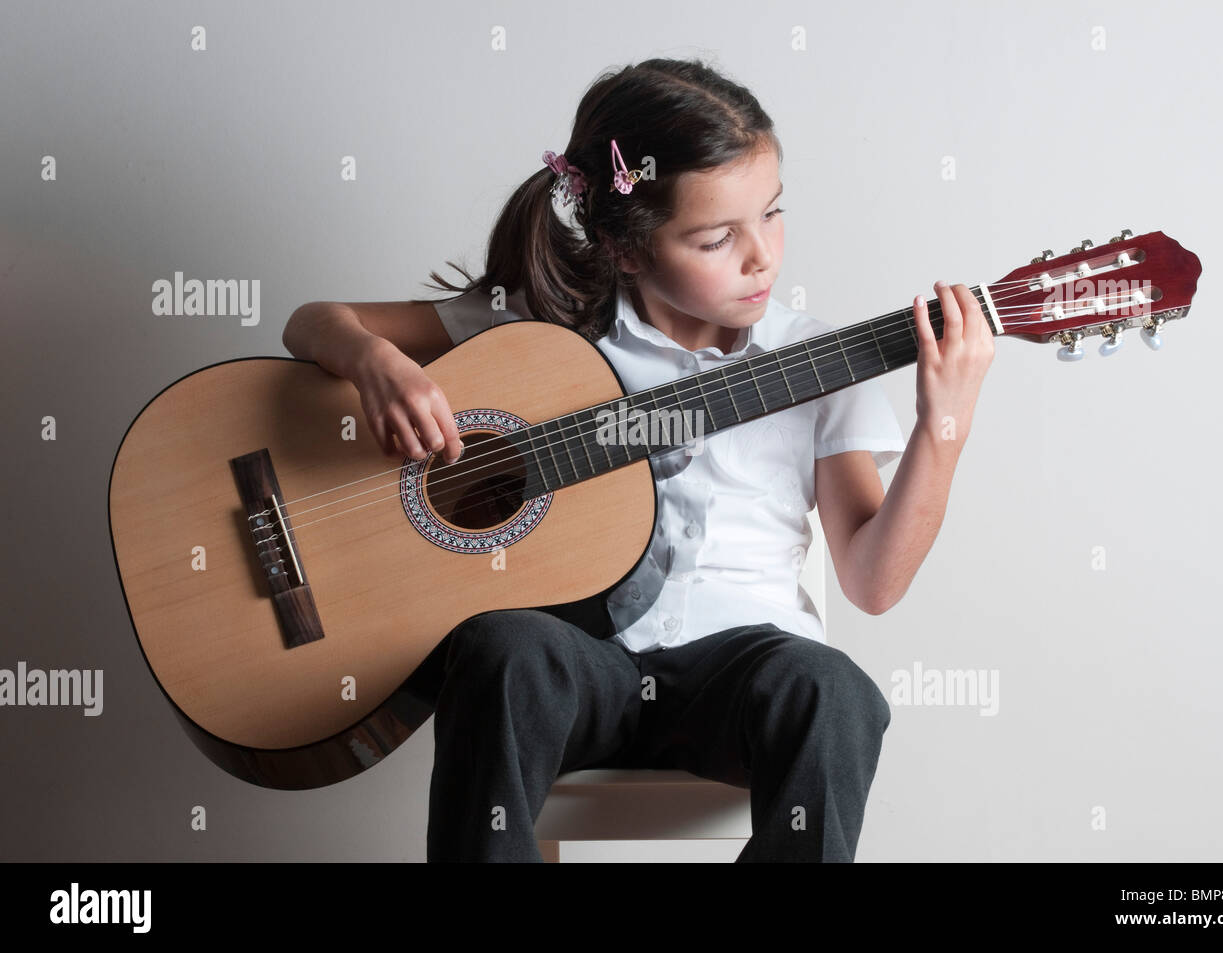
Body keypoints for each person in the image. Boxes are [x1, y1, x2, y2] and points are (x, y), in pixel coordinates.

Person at [282, 57, 995, 862]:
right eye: (717, 237)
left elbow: (873, 581)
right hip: (583, 673)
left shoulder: (814, 359)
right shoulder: (541, 332)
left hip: (738, 675)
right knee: (501, 651)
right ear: (626, 249)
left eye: (773, 213)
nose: (760, 255)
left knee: (833, 692)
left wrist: (948, 420)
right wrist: (377, 365)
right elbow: (316, 320)